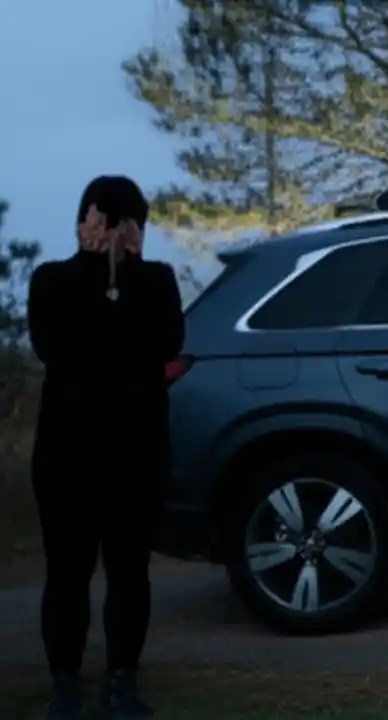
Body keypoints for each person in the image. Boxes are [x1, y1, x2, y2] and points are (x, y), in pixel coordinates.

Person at [27, 175, 184, 719]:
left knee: (128, 571)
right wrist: (99, 273)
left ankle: (122, 682)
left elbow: (167, 343)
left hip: (136, 451)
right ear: (83, 221)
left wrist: (128, 274)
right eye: (104, 220)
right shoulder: (51, 281)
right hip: (66, 453)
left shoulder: (157, 281)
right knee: (66, 572)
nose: (115, 232)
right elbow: (57, 348)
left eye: (127, 224)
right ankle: (64, 684)